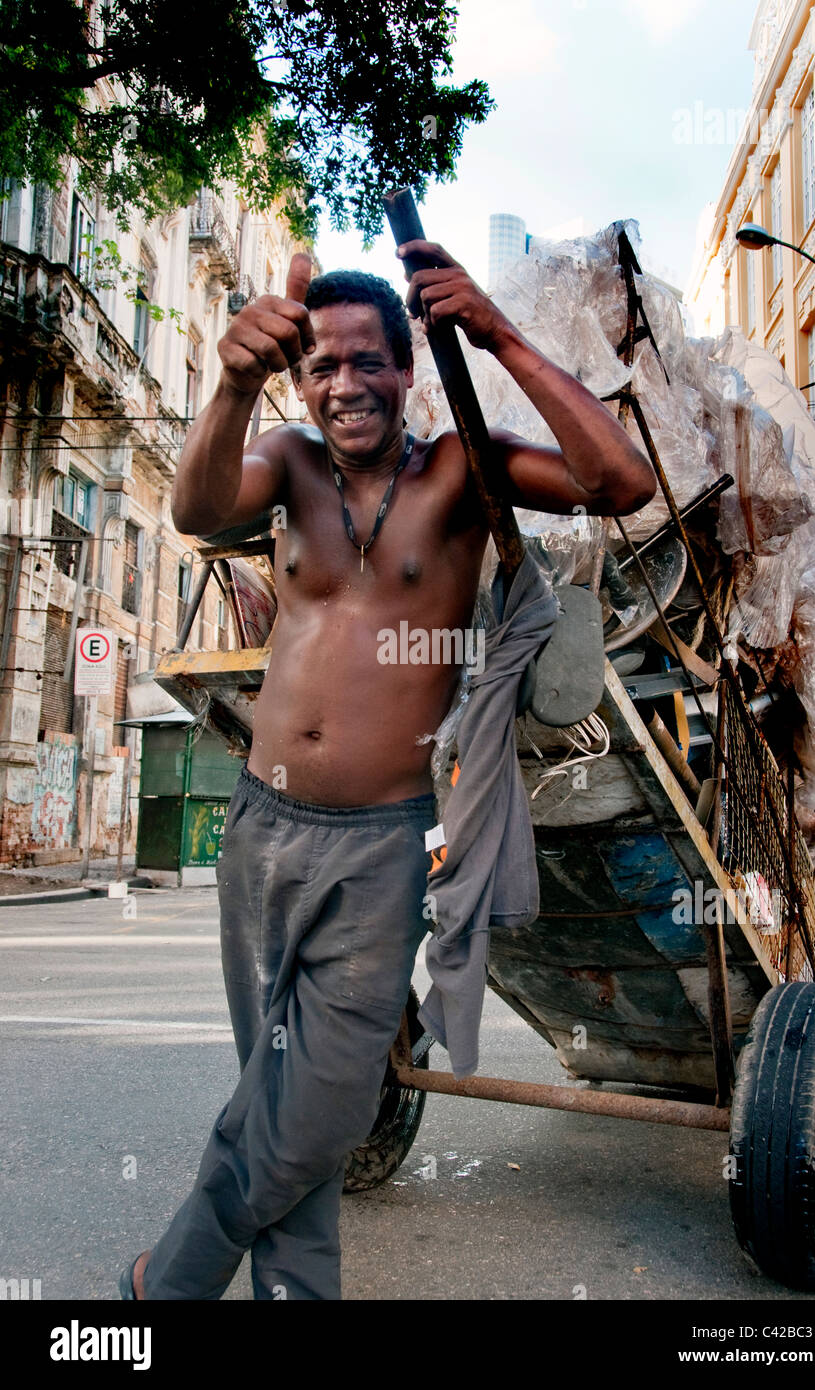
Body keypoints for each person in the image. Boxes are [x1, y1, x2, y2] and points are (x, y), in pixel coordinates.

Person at [121, 239, 655, 1301]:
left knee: (317, 1103)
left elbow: (618, 481)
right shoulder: (285, 461)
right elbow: (192, 510)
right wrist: (231, 379)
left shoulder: (461, 470)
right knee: (275, 1093)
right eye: (319, 364)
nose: (345, 383)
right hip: (262, 832)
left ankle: (166, 1281)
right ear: (299, 381)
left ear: (408, 368)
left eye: (368, 360)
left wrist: (497, 329)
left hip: (382, 846)